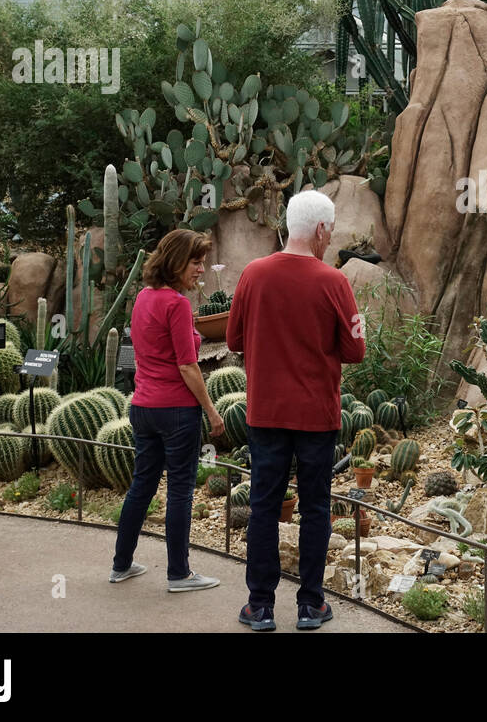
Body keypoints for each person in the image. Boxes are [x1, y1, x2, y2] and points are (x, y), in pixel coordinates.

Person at [227, 189, 365, 631]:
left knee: (265, 505)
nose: (331, 238)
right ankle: (310, 604)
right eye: (332, 229)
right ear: (321, 229)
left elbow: (232, 340)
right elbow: (355, 349)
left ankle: (260, 606)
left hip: (265, 412)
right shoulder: (334, 282)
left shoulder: (253, 275)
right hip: (316, 416)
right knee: (316, 506)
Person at [110, 228, 225, 591]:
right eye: (196, 262)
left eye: (203, 262)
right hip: (176, 412)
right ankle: (179, 574)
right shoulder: (177, 305)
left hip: (143, 407)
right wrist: (212, 410)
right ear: (175, 262)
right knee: (179, 490)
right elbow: (188, 366)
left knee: (141, 487)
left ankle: (121, 565)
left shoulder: (143, 297)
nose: (201, 269)